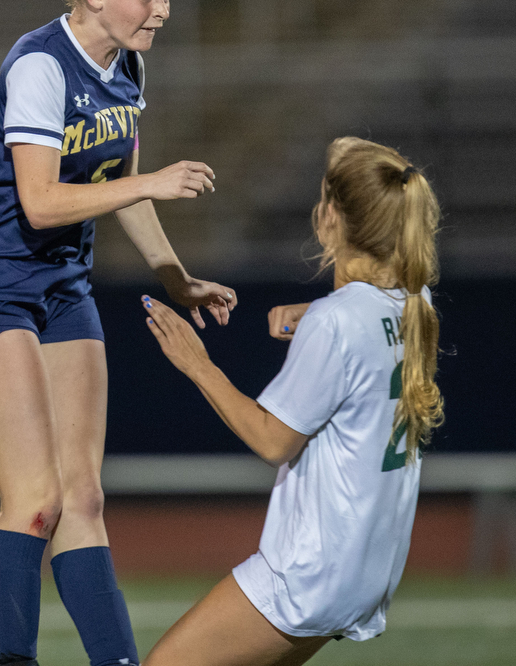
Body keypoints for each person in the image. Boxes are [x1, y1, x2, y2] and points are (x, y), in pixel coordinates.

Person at [0, 0, 236, 666]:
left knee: (85, 499)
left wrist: (177, 278)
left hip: (61, 290)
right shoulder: (39, 66)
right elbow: (41, 201)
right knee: (32, 500)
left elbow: (123, 185)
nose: (162, 8)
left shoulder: (127, 63)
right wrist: (157, 181)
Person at [140, 136, 443, 666]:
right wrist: (309, 311)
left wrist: (197, 364)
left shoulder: (335, 321)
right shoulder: (417, 302)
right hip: (368, 568)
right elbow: (364, 317)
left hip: (309, 570)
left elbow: (272, 439)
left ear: (332, 220)